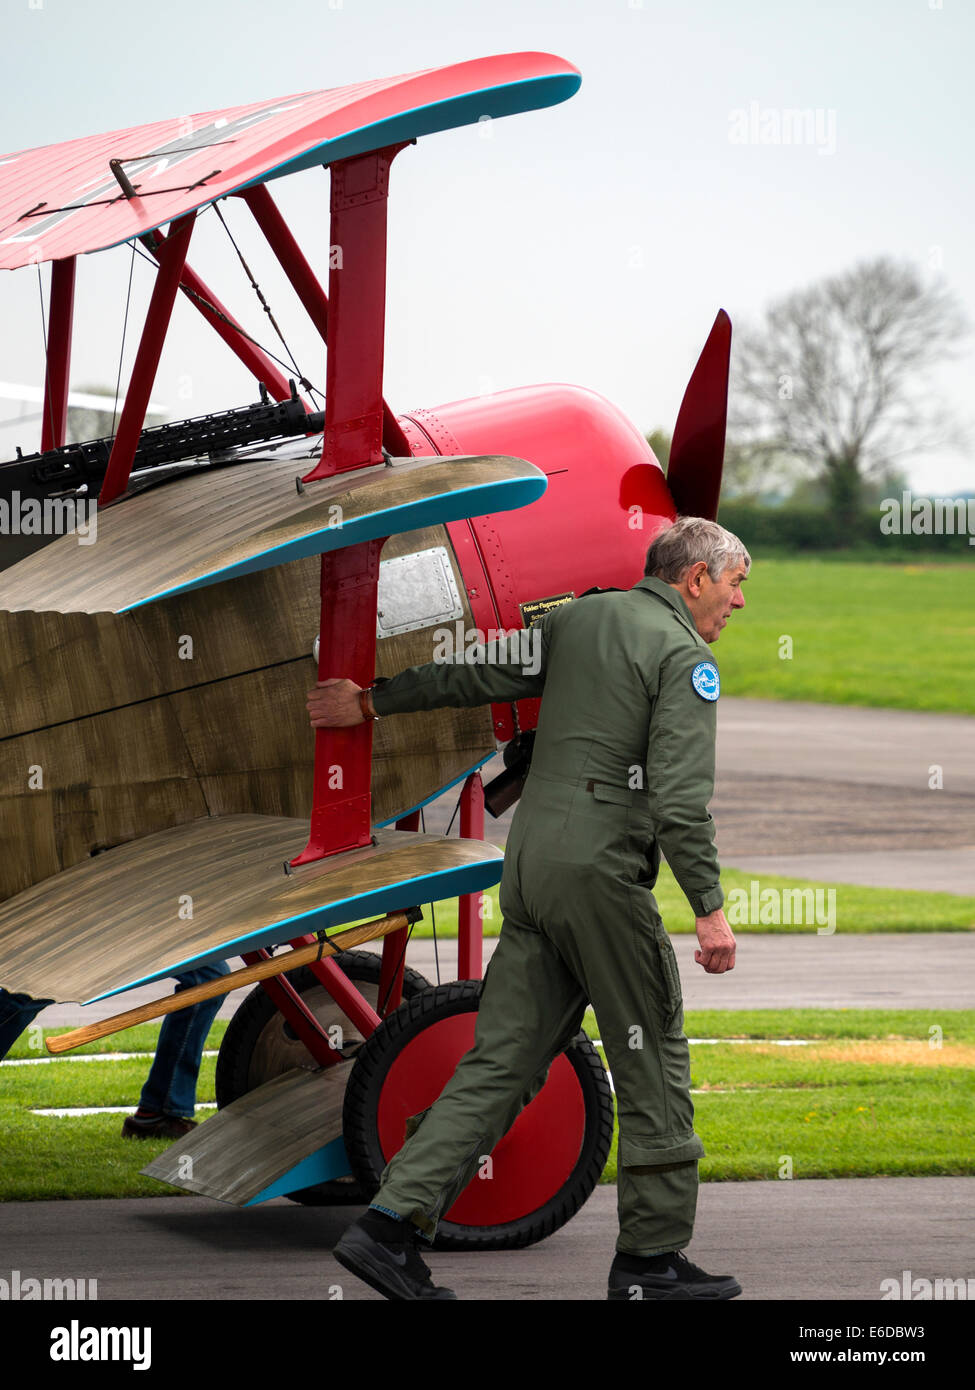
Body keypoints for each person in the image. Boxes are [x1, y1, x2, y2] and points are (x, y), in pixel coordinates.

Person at [309, 515, 748, 1302]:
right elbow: (680, 802)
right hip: (602, 880)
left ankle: (388, 1229)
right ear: (694, 578)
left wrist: (372, 704)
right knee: (652, 1061)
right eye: (735, 582)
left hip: (534, 868)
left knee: (500, 1062)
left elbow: (473, 672)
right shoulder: (684, 656)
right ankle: (650, 1260)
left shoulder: (580, 616)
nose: (738, 601)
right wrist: (708, 909)